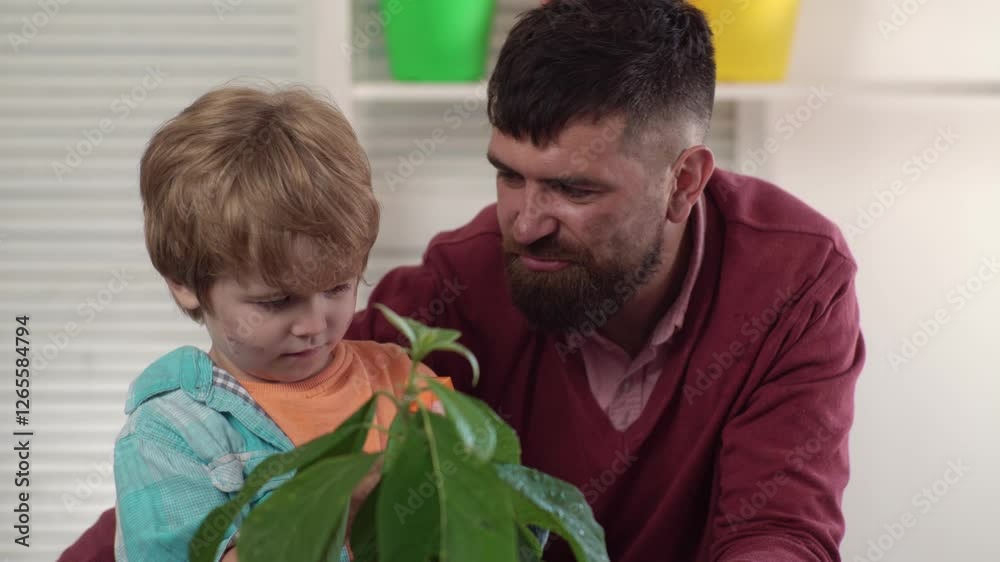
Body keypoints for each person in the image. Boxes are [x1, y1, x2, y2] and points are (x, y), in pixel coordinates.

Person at [62, 1, 864, 561]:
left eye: (573, 190)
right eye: (508, 176)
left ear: (685, 181)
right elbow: (281, 421)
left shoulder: (796, 278)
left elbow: (780, 530)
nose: (525, 222)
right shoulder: (462, 277)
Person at [109, 85, 447, 562]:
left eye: (337, 288)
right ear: (185, 284)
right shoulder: (167, 435)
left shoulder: (402, 381)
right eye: (276, 301)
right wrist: (332, 516)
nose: (313, 324)